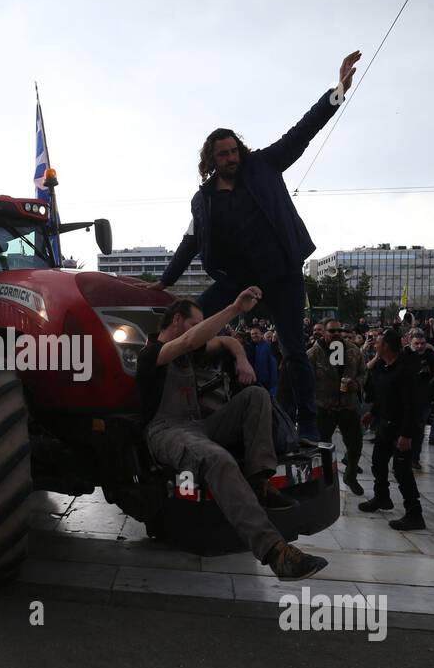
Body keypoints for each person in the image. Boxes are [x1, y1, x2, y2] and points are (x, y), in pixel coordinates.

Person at [153, 50, 363, 441]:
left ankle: (308, 422)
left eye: (234, 151)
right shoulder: (204, 201)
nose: (231, 158)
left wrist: (337, 91)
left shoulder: (264, 165)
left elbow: (302, 132)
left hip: (280, 274)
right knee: (185, 321)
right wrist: (163, 284)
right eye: (223, 155)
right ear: (212, 160)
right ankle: (162, 395)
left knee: (294, 349)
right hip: (235, 280)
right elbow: (187, 244)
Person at [137, 289, 328, 581]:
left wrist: (242, 359)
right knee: (218, 459)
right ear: (176, 320)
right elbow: (189, 339)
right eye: (195, 323)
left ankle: (260, 481)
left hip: (197, 424)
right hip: (166, 430)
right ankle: (275, 552)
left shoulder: (191, 352)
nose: (199, 332)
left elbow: (225, 340)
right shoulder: (151, 353)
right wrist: (234, 308)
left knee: (255, 395)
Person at [359, 328, 427, 530]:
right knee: (378, 463)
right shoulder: (384, 367)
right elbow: (383, 395)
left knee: (402, 471)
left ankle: (415, 514)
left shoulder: (406, 371)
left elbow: (411, 406)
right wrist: (374, 412)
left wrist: (406, 435)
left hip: (401, 429)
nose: (375, 345)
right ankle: (382, 498)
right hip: (385, 425)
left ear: (386, 346)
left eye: (378, 342)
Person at [307, 319, 365, 495]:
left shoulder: (353, 351)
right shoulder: (313, 354)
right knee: (322, 447)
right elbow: (306, 383)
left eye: (339, 330)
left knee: (355, 445)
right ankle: (325, 480)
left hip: (348, 406)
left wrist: (357, 384)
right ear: (324, 333)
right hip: (325, 408)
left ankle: (350, 476)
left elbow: (363, 372)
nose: (337, 334)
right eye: (332, 331)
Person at [405, 328, 434, 469]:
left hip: (424, 398)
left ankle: (415, 458)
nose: (420, 346)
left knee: (419, 429)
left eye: (422, 343)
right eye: (417, 343)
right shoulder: (405, 354)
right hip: (407, 397)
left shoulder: (431, 355)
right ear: (411, 343)